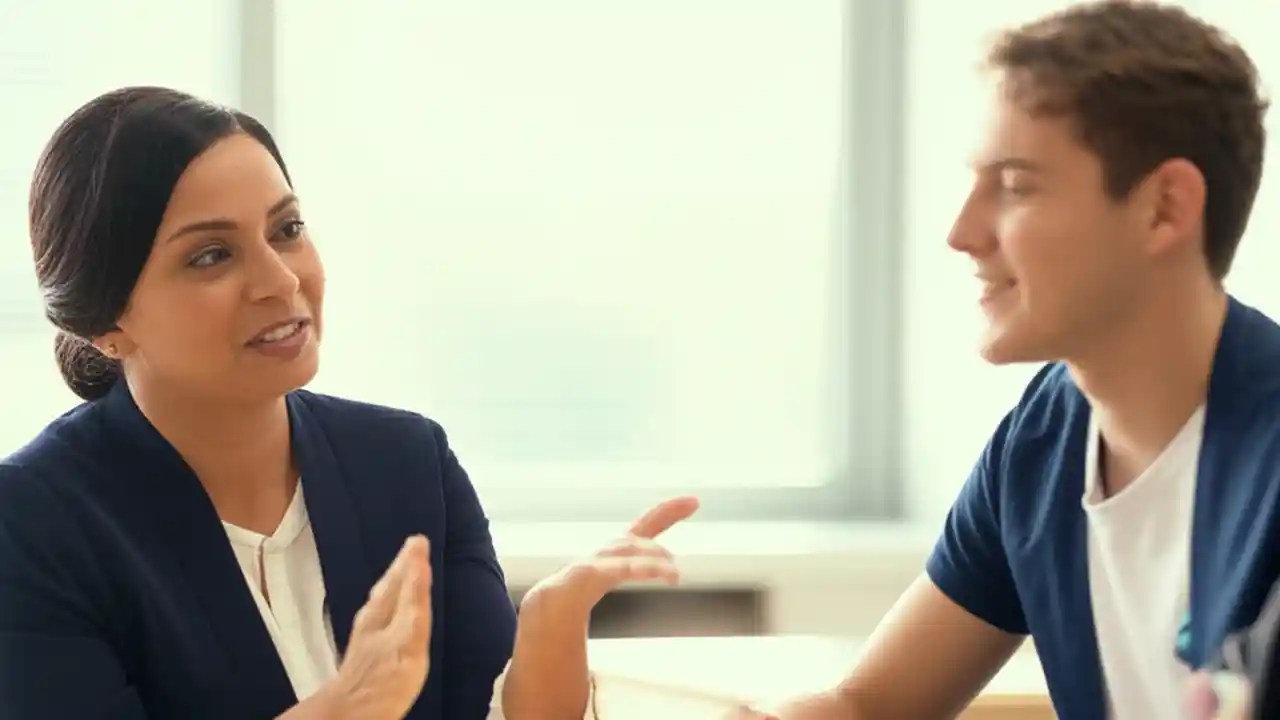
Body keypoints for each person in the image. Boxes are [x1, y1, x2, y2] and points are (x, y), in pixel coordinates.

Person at [0, 85, 695, 719]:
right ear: (107, 323)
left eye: (286, 230)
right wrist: (347, 707)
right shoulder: (32, 522)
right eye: (211, 255)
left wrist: (546, 634)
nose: (280, 280)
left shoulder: (409, 463)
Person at [732, 2, 1273, 719]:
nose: (961, 232)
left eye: (1015, 186)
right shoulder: (1044, 439)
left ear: (1164, 208)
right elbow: (869, 705)